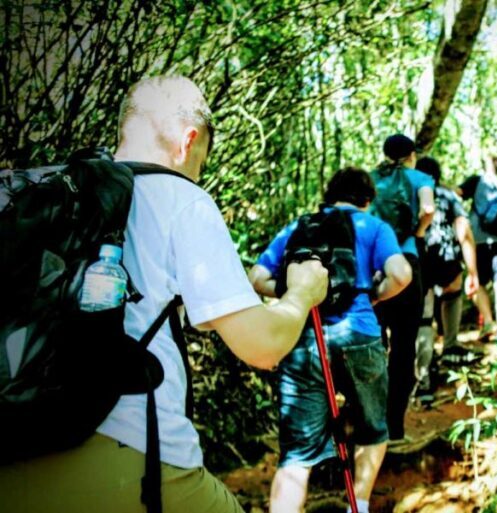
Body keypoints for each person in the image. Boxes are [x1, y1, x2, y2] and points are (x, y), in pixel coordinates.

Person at [0, 75, 328, 513]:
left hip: (15, 448)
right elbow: (262, 346)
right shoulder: (179, 198)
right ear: (187, 141)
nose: (197, 174)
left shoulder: (48, 194)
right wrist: (302, 294)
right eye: (201, 161)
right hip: (129, 449)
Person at [249, 168, 412, 513]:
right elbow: (401, 274)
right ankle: (360, 505)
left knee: (297, 452)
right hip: (359, 333)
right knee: (372, 427)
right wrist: (376, 296)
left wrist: (299, 293)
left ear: (330, 193)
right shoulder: (374, 227)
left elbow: (257, 277)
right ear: (367, 199)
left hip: (303, 336)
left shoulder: (300, 227)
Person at [369, 134, 435, 441]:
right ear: (411, 154)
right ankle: (395, 427)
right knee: (404, 347)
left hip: (375, 267)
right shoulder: (420, 177)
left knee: (374, 344)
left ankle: (371, 423)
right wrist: (417, 234)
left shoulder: (371, 179)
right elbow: (428, 210)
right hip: (407, 263)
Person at [413, 156, 479, 396]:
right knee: (453, 290)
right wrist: (473, 272)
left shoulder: (409, 196)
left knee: (424, 315)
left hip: (420, 259)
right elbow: (464, 233)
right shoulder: (449, 196)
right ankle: (450, 344)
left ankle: (425, 374)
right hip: (447, 259)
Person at [458, 155, 497, 342]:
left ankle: (488, 322)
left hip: (479, 242)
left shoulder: (476, 182)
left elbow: (456, 192)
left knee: (477, 283)